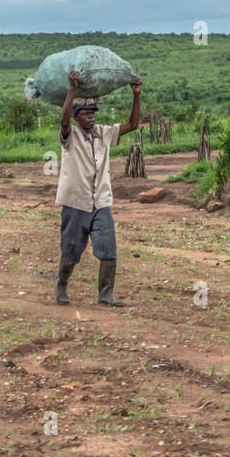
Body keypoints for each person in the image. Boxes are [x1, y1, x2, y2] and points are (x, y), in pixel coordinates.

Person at [54, 69, 141, 307]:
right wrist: (72, 89)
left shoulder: (104, 133)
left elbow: (133, 124)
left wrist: (136, 94)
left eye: (93, 113)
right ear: (76, 117)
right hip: (75, 203)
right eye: (85, 114)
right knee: (71, 251)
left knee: (108, 249)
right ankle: (61, 285)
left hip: (101, 202)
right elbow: (62, 120)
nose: (91, 117)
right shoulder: (70, 136)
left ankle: (105, 293)